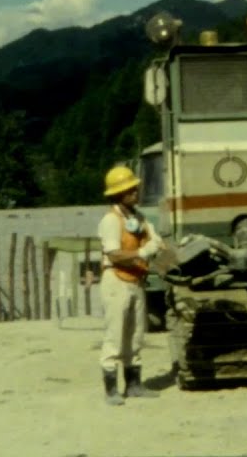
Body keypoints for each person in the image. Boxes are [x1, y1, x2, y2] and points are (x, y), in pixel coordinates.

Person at [97, 165, 165, 405]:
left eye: (135, 188)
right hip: (116, 279)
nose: (135, 193)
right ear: (117, 194)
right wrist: (143, 252)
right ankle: (111, 389)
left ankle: (134, 384)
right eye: (129, 190)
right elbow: (114, 255)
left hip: (136, 279)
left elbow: (154, 238)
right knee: (115, 334)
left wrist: (153, 244)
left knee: (135, 335)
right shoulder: (110, 220)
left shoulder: (138, 218)